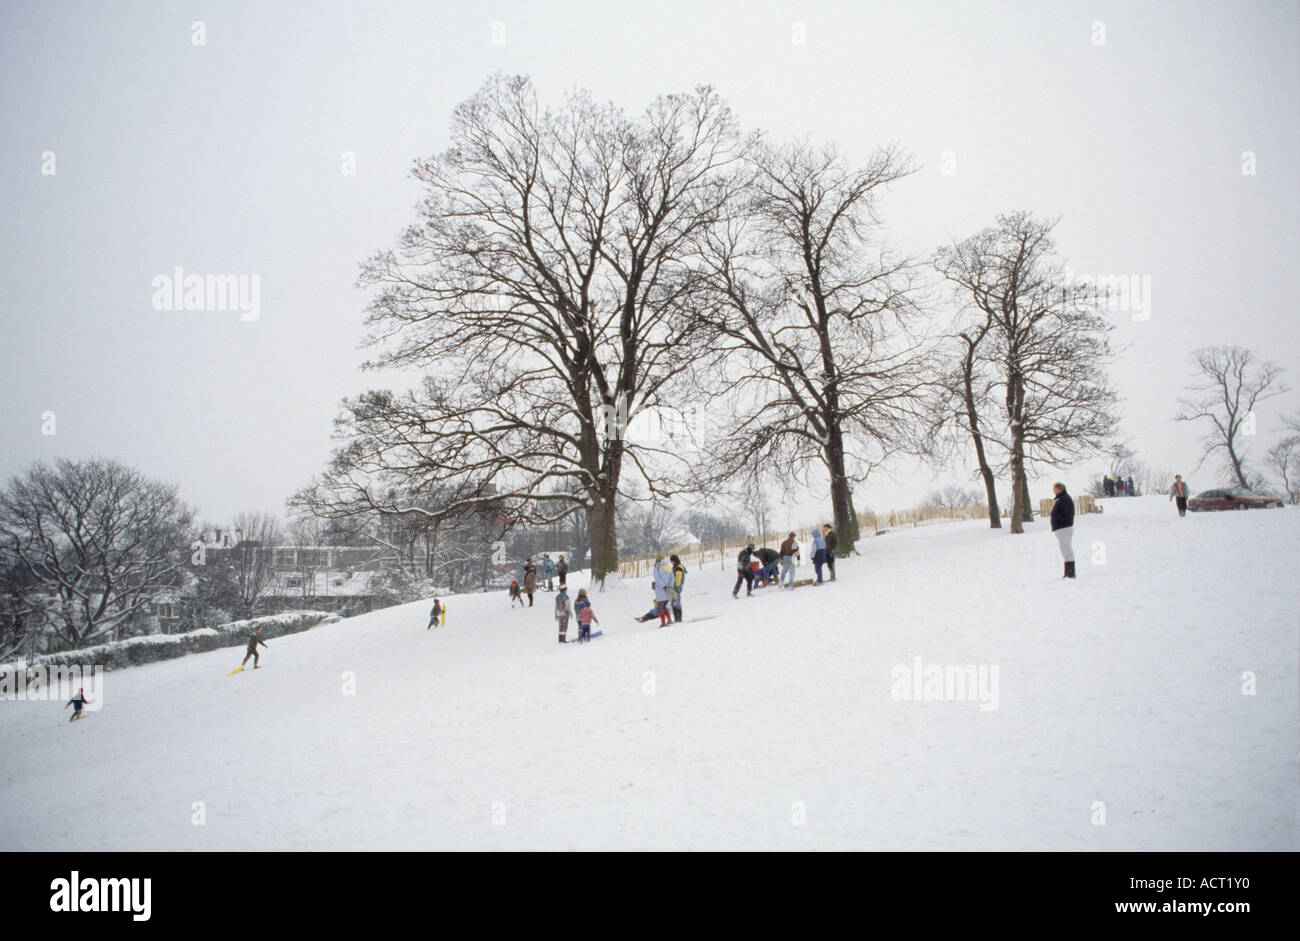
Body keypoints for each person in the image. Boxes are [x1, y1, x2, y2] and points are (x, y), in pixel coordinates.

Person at [635, 557, 675, 626]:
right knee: (664, 606)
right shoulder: (668, 567)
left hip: (660, 590)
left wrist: (662, 585)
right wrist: (669, 586)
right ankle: (669, 620)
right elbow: (672, 578)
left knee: (660, 607)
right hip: (668, 590)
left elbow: (657, 577)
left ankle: (663, 623)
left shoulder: (657, 567)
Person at [1051, 482, 1076, 578]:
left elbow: (1066, 513)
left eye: (1054, 488)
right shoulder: (1061, 499)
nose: (1053, 491)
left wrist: (1057, 519)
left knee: (1066, 549)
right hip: (1061, 527)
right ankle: (1068, 572)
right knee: (1064, 549)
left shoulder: (1064, 499)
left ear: (1059, 489)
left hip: (1064, 527)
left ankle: (1070, 572)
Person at [669, 554, 686, 622]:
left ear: (673, 560)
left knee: (676, 603)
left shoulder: (678, 567)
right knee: (674, 603)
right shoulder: (675, 566)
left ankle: (678, 619)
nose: (671, 563)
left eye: (671, 561)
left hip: (676, 588)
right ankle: (677, 618)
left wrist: (676, 588)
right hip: (674, 587)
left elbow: (678, 578)